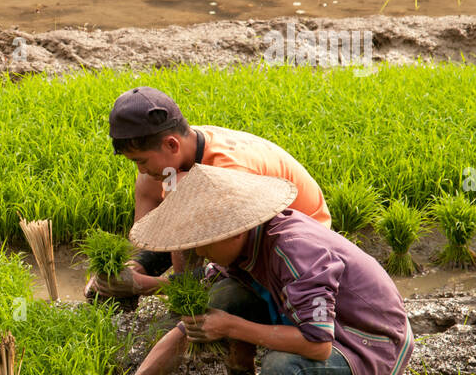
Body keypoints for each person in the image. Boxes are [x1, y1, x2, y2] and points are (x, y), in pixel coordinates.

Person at [117, 165, 413, 375]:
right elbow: (188, 328)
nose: (199, 252)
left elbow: (318, 345)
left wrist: (230, 326)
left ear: (233, 231)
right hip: (328, 328)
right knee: (224, 297)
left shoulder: (296, 252)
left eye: (202, 242)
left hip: (371, 344)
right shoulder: (243, 251)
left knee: (281, 369)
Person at [89, 86, 331, 299]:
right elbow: (151, 234)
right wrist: (133, 269)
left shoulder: (229, 171)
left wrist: (152, 286)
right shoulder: (170, 157)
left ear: (172, 144)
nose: (140, 170)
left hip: (296, 252)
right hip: (241, 239)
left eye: (141, 161)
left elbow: (233, 257)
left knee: (220, 300)